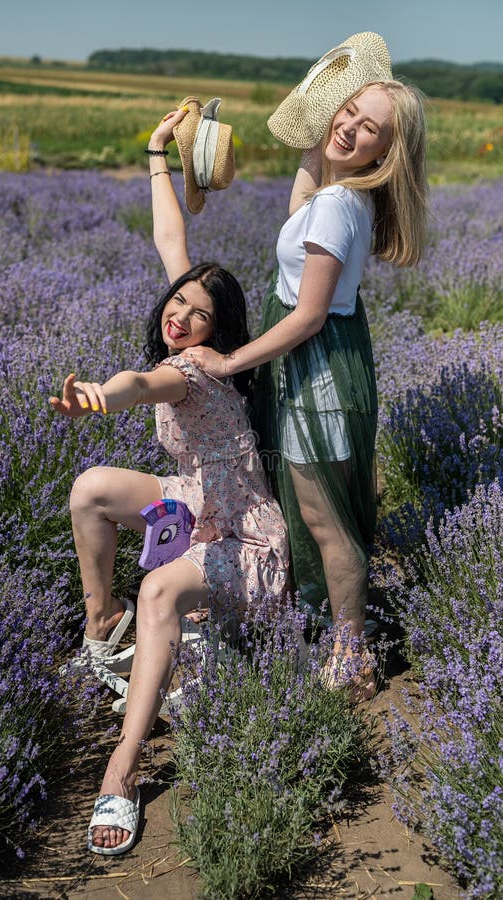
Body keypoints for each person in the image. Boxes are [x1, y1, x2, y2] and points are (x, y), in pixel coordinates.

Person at [49, 106, 288, 856]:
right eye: (178, 304)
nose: (182, 316)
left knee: (160, 590)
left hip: (247, 537)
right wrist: (157, 153)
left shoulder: (190, 369)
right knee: (90, 488)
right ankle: (103, 630)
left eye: (200, 314)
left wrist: (100, 395)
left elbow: (139, 383)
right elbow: (169, 241)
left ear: (220, 332)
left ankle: (122, 767)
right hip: (193, 504)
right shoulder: (185, 328)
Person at [185, 78, 429, 698]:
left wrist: (229, 361)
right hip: (315, 370)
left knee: (328, 524)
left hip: (316, 376)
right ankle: (329, 633)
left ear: (386, 151)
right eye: (346, 113)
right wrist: (312, 144)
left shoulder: (341, 204)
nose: (349, 128)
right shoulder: (336, 197)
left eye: (367, 127)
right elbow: (300, 212)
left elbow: (308, 315)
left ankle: (352, 658)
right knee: (320, 514)